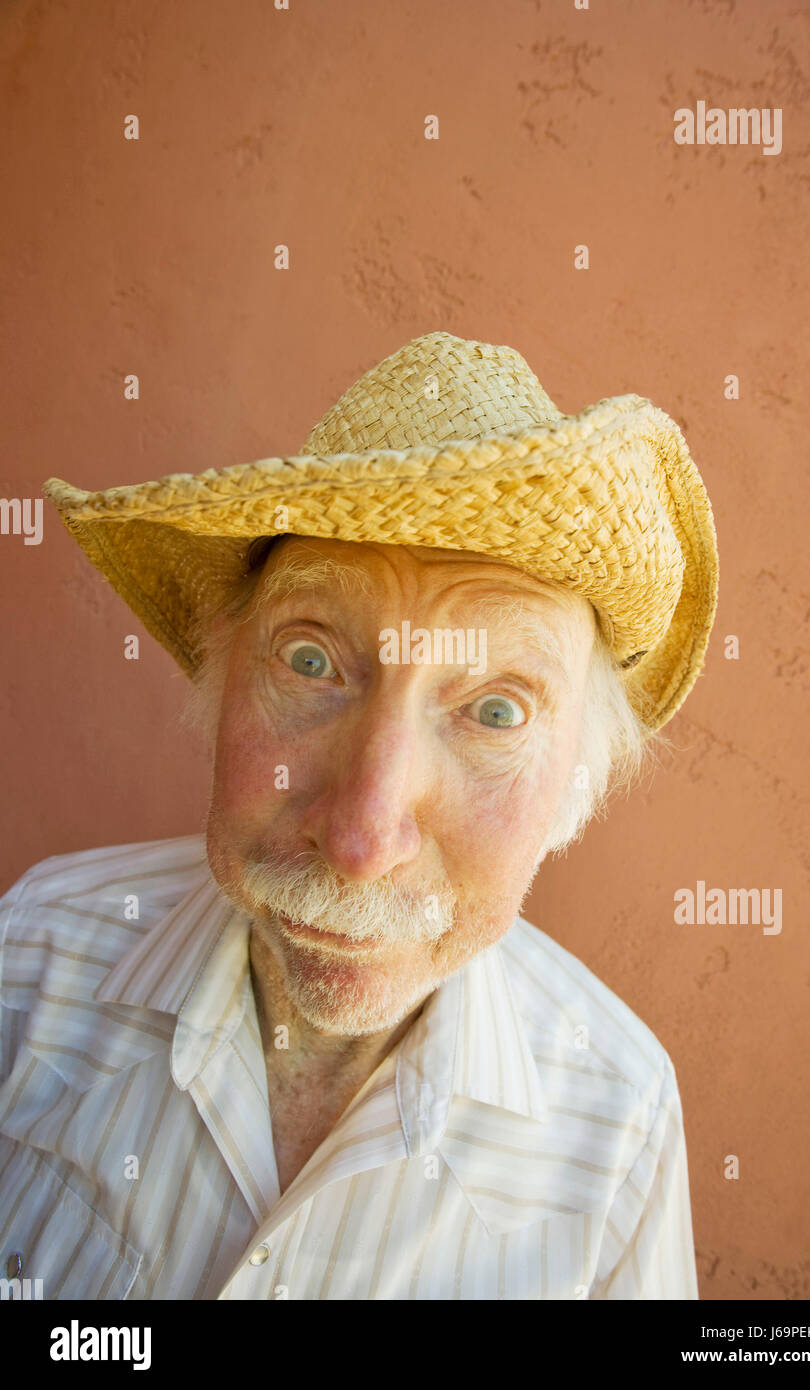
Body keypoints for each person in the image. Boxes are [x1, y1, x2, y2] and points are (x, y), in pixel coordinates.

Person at [0, 331, 718, 1299]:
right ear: (220, 690)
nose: (359, 840)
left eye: (494, 711)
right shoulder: (30, 956)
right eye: (309, 661)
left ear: (573, 787)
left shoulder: (618, 1123)